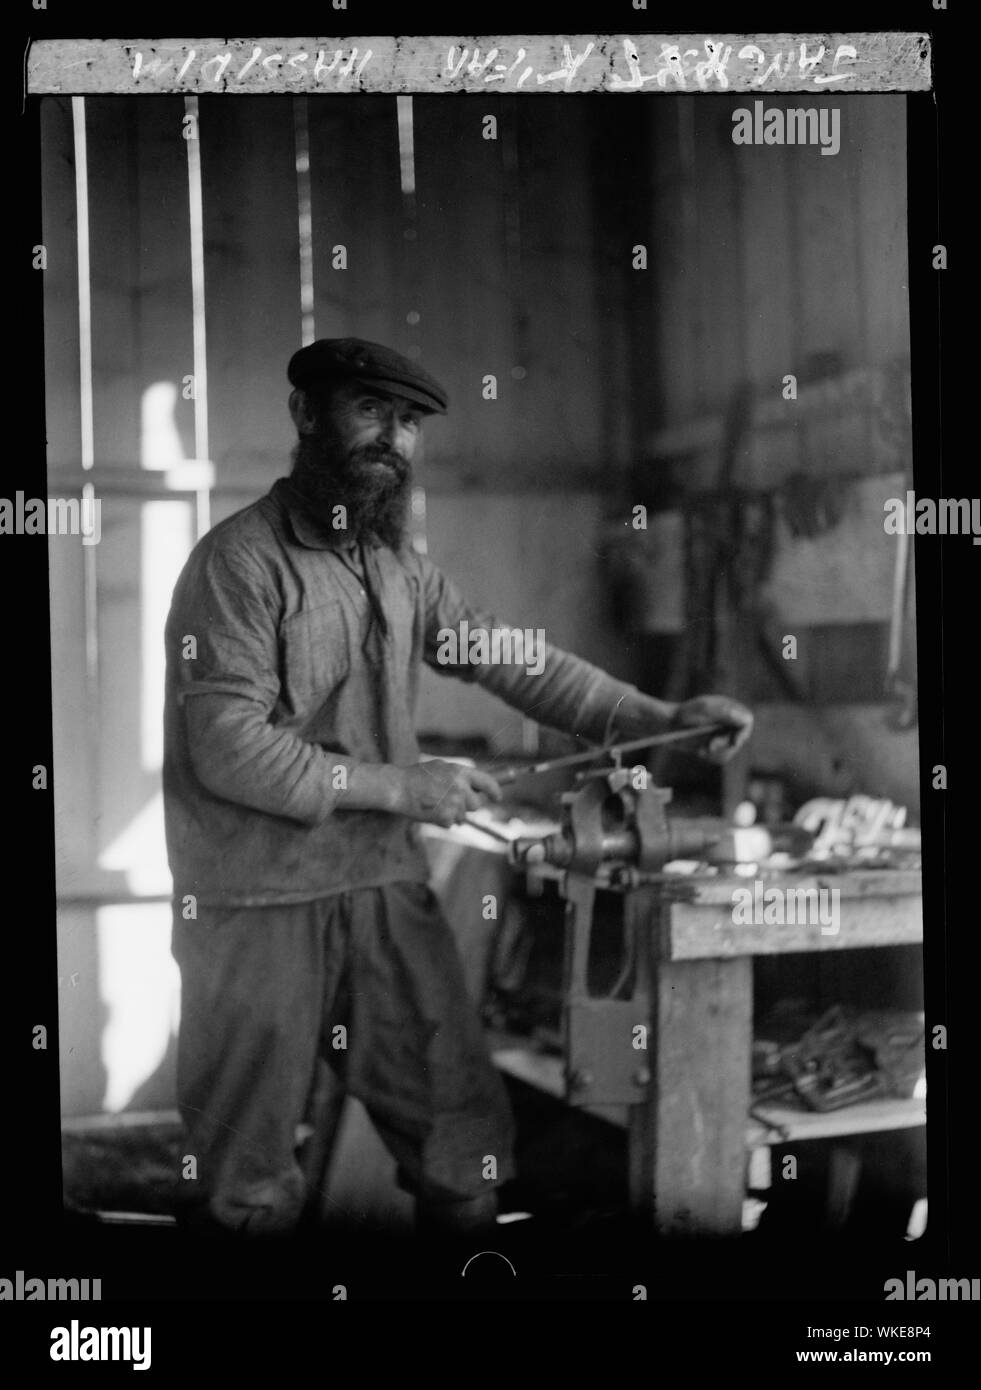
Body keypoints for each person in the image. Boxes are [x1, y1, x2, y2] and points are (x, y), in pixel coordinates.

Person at [162, 337, 753, 1237]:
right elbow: (228, 749)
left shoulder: (398, 567)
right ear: (305, 415)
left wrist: (656, 713)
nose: (391, 439)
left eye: (407, 422)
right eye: (369, 411)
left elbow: (516, 662)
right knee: (245, 1185)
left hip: (383, 886)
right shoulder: (238, 564)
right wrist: (401, 787)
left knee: (461, 1146)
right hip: (256, 900)